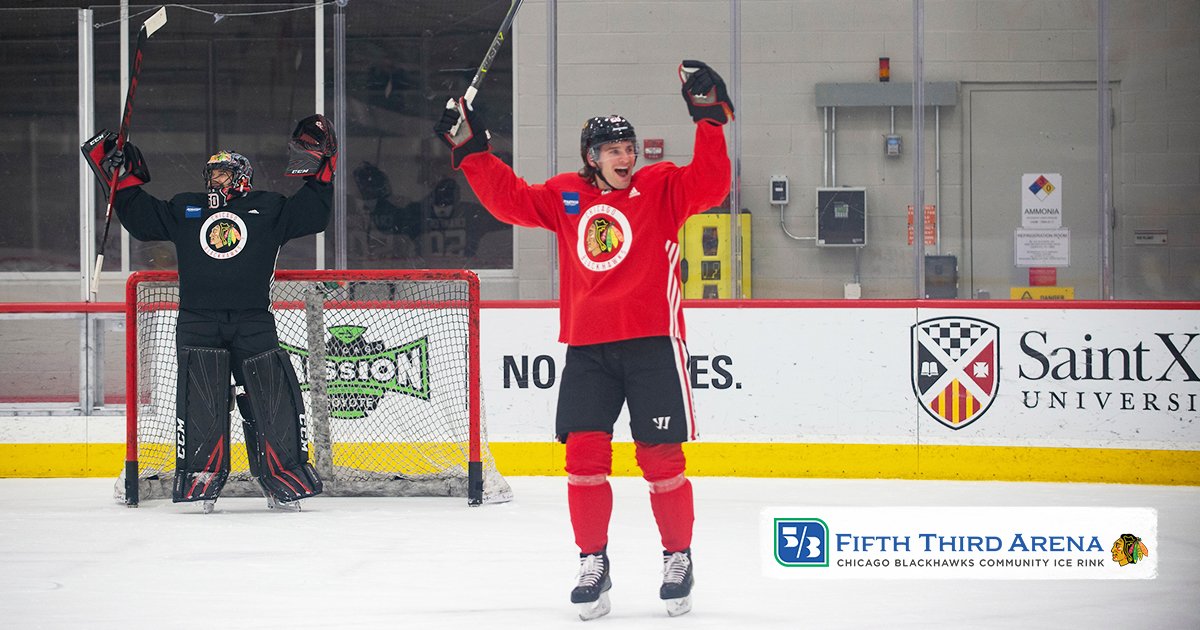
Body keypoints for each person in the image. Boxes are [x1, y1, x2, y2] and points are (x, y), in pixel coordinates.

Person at [434, 60, 733, 619]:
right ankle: (592, 561)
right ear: (591, 158)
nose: (626, 158)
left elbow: (712, 185)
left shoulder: (662, 186)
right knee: (585, 460)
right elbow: (511, 202)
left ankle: (678, 556)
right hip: (588, 349)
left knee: (662, 459)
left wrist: (709, 120)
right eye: (613, 150)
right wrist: (473, 152)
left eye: (629, 148)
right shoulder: (567, 195)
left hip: (651, 344)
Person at [81, 115, 338, 512]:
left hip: (253, 319)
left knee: (271, 396)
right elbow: (141, 219)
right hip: (198, 320)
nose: (215, 179)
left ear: (241, 176)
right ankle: (202, 480)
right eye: (212, 172)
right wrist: (119, 175)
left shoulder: (269, 208)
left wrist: (321, 166)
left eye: (223, 172)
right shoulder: (189, 208)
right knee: (202, 402)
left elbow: (314, 212)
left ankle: (283, 478)